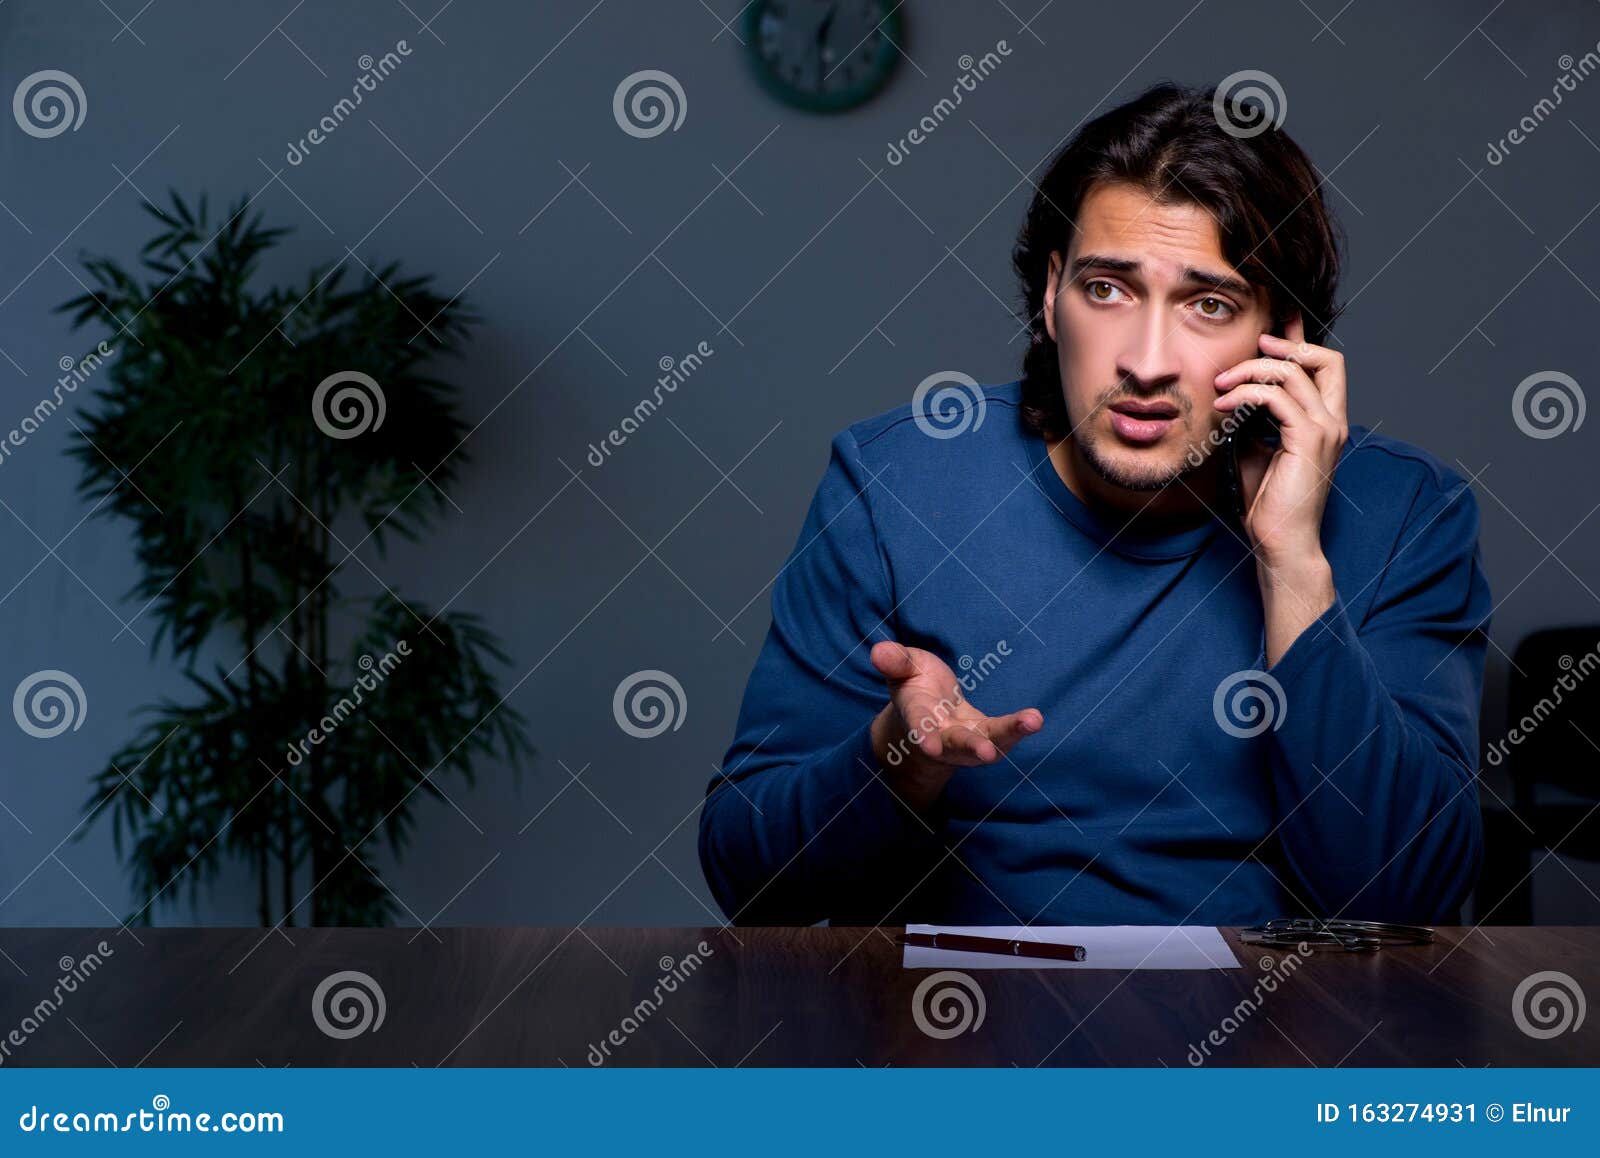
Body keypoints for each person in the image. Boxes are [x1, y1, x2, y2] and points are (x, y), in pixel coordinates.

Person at [698, 81, 1491, 928]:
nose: (1145, 363)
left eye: (1209, 304)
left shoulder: (1406, 511)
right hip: (957, 1005)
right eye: (1108, 289)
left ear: (1284, 337)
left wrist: (1293, 563)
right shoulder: (897, 482)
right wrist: (899, 758)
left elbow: (1411, 897)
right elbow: (751, 879)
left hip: (1267, 1006)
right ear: (1052, 295)